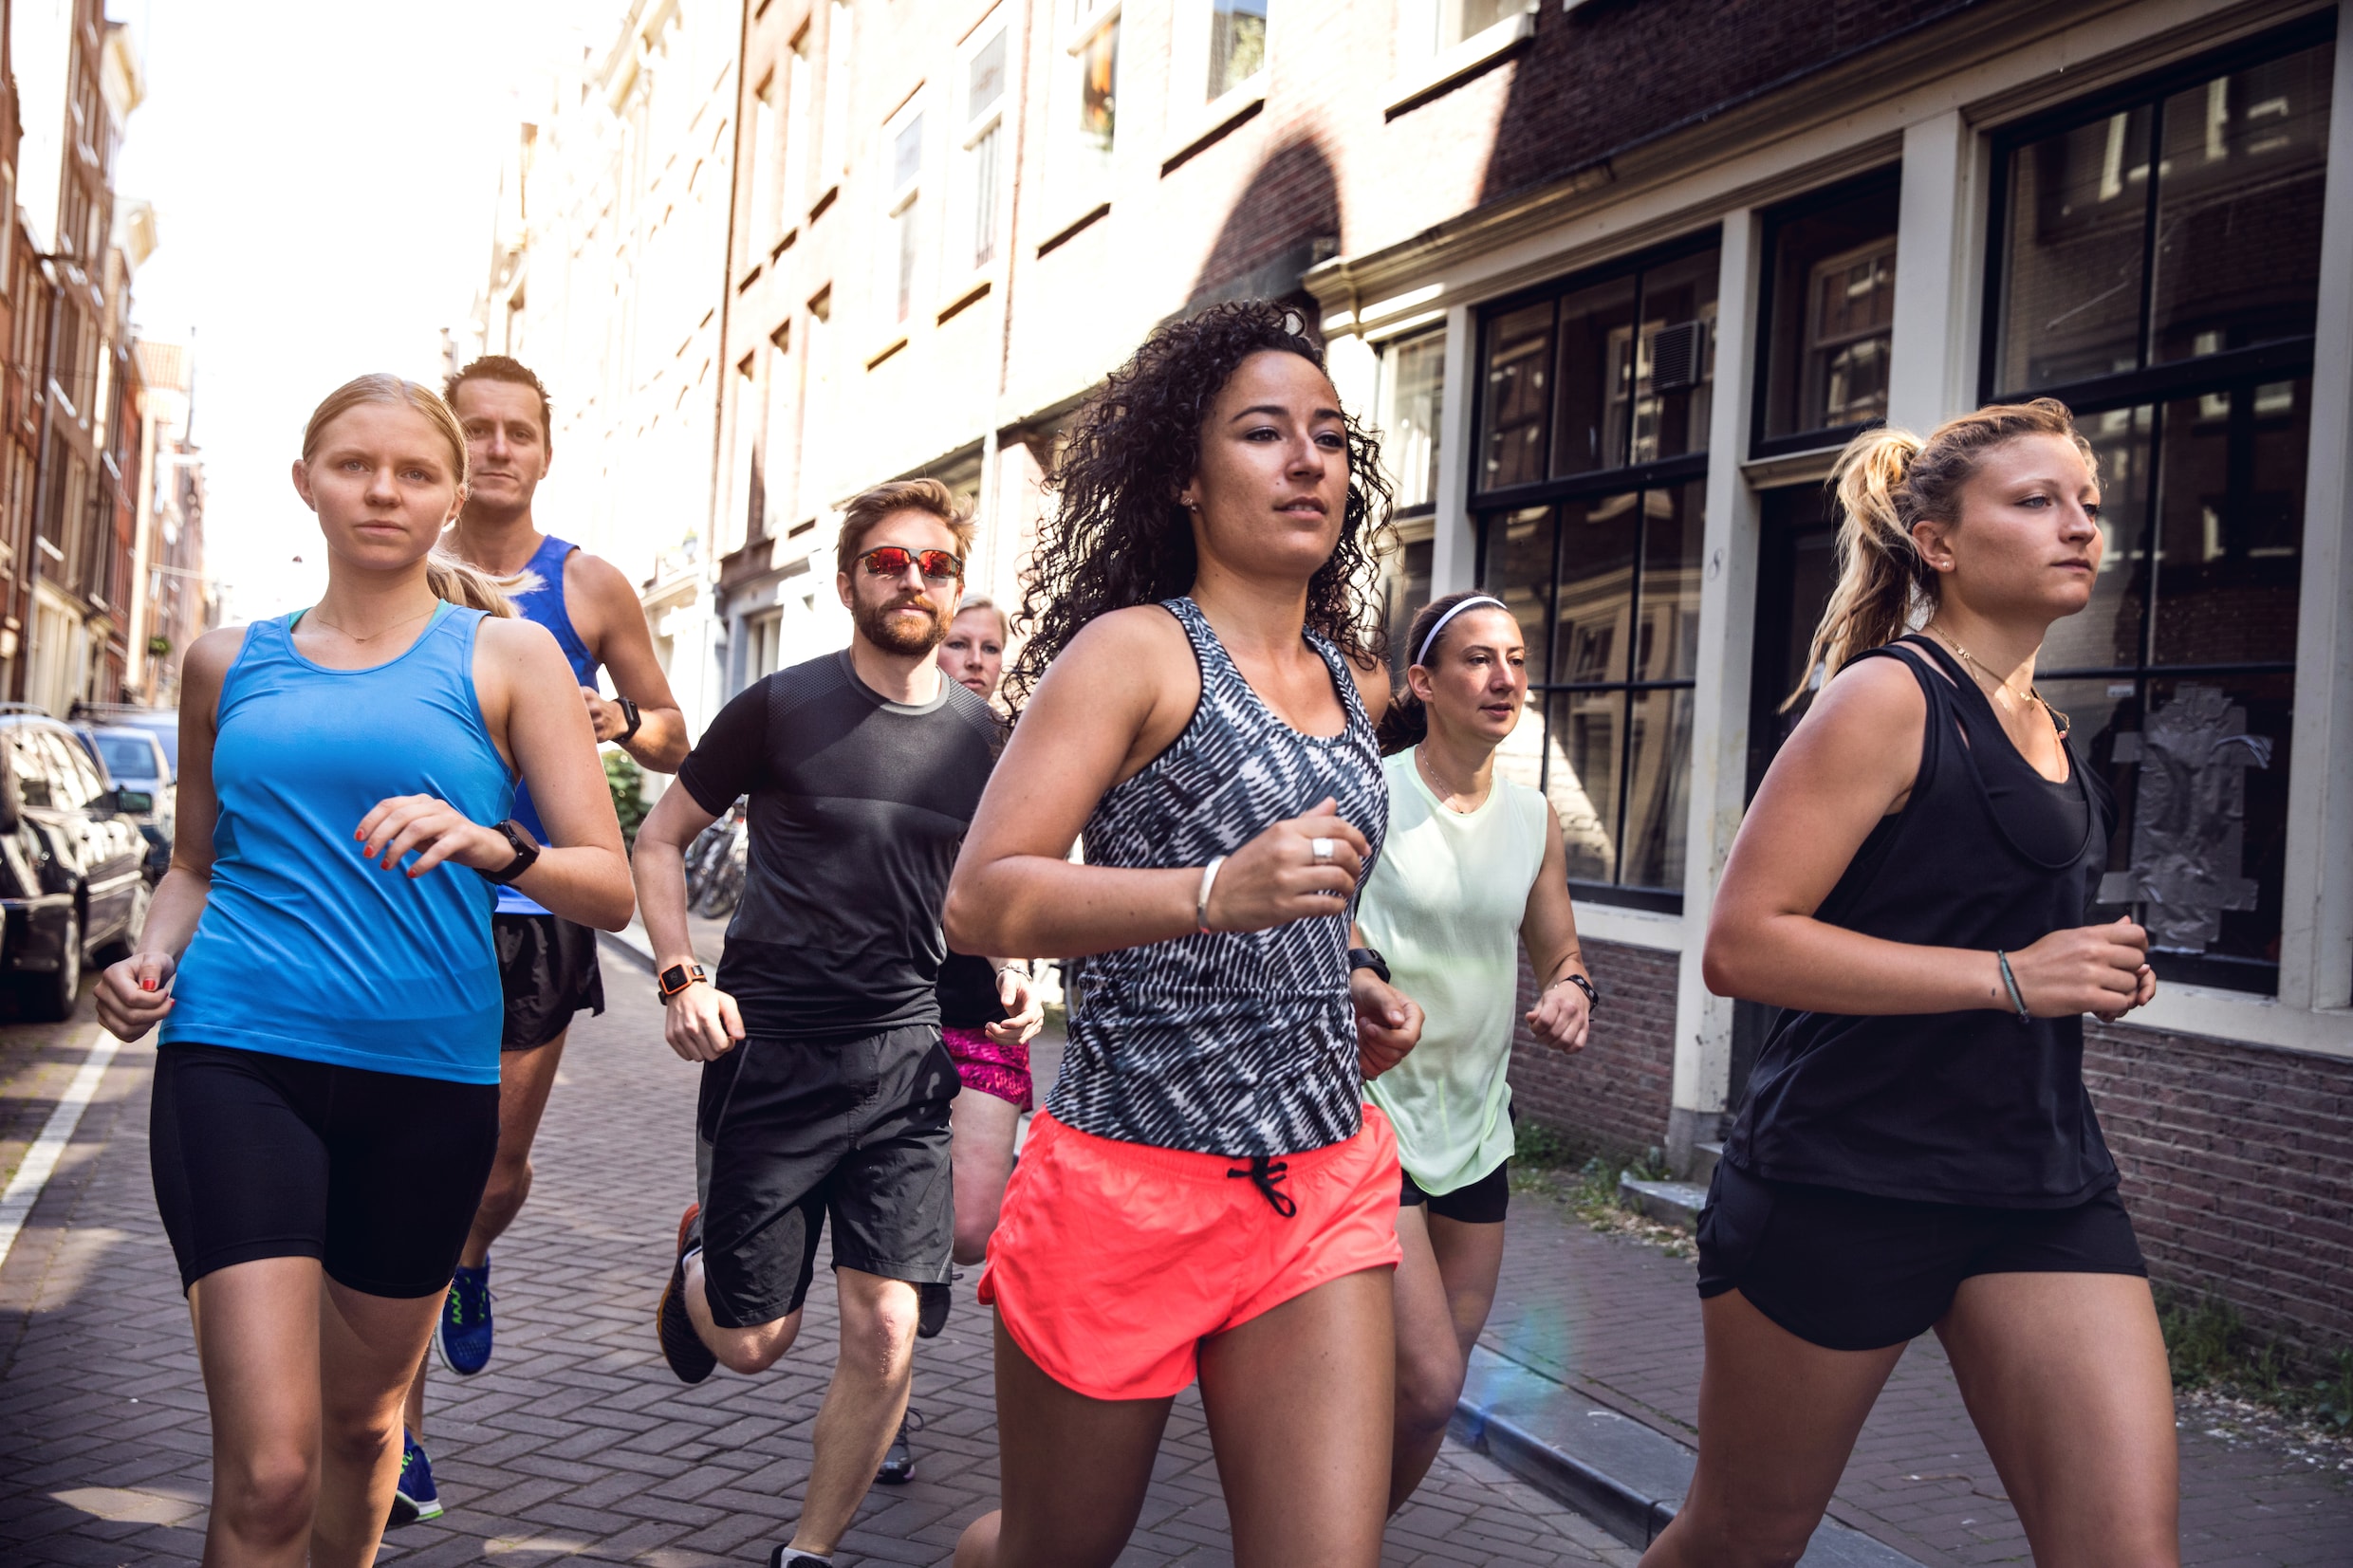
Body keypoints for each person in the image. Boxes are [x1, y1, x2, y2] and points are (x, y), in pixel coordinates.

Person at [92, 374, 634, 1568]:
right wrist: (148, 960)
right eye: (354, 465)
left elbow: (608, 887)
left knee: (362, 1427)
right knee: (271, 1470)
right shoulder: (225, 661)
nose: (383, 491)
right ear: (306, 483)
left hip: (430, 1079)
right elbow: (192, 866)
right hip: (238, 1056)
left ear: (450, 497)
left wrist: (496, 846)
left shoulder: (509, 656)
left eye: (414, 472)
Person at [1643, 400, 2171, 1568]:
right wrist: (2009, 976)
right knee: (1741, 1537)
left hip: (2038, 1180)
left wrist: (2081, 969)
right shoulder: (1886, 697)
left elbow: (1969, 928)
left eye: (2086, 503)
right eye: (2034, 501)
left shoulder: (2046, 725)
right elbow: (1742, 945)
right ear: (1935, 543)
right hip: (1847, 1178)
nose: (2078, 525)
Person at [942, 300, 1425, 1568]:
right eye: (1263, 433)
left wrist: (1351, 973)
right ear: (1186, 478)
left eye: (1329, 437)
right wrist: (1213, 890)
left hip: (1312, 1175)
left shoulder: (1351, 677)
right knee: (1054, 1552)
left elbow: (1309, 894)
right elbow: (982, 899)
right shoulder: (1136, 653)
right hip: (1128, 1181)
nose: (1306, 461)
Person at [632, 479, 1038, 1568]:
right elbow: (658, 841)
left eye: (935, 566)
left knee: (888, 1325)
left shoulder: (984, 738)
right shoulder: (779, 707)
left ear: (954, 586)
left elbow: (989, 884)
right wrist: (679, 976)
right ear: (849, 580)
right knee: (752, 1342)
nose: (913, 580)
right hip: (770, 1055)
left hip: (907, 1065)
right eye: (889, 562)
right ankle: (700, 1256)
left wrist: (1009, 972)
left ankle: (807, 1551)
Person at [392, 353, 692, 1522]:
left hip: (538, 906)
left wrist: (620, 719)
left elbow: (672, 734)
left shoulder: (589, 585)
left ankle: (472, 1257)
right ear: (450, 444)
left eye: (519, 431)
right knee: (416, 1167)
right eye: (477, 429)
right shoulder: (403, 565)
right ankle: (400, 1433)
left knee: (493, 1169)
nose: (499, 448)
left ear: (547, 452)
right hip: (418, 896)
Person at [1356, 590, 1594, 1513]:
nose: (1504, 678)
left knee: (1428, 1397)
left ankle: (1335, 1537)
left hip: (1478, 1129)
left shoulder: (1533, 817)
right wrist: (1361, 976)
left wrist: (1571, 991)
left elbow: (1560, 952)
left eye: (1516, 660)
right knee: (1424, 1384)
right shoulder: (1371, 791)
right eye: (1478, 659)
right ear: (1422, 682)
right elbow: (1318, 922)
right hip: (1372, 1116)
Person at [932, 594, 1042, 1268]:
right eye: (958, 643)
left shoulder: (1019, 751)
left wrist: (1018, 972)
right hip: (887, 1005)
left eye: (990, 647)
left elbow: (1021, 879)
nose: (975, 660)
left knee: (972, 1232)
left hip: (979, 1010)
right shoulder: (889, 733)